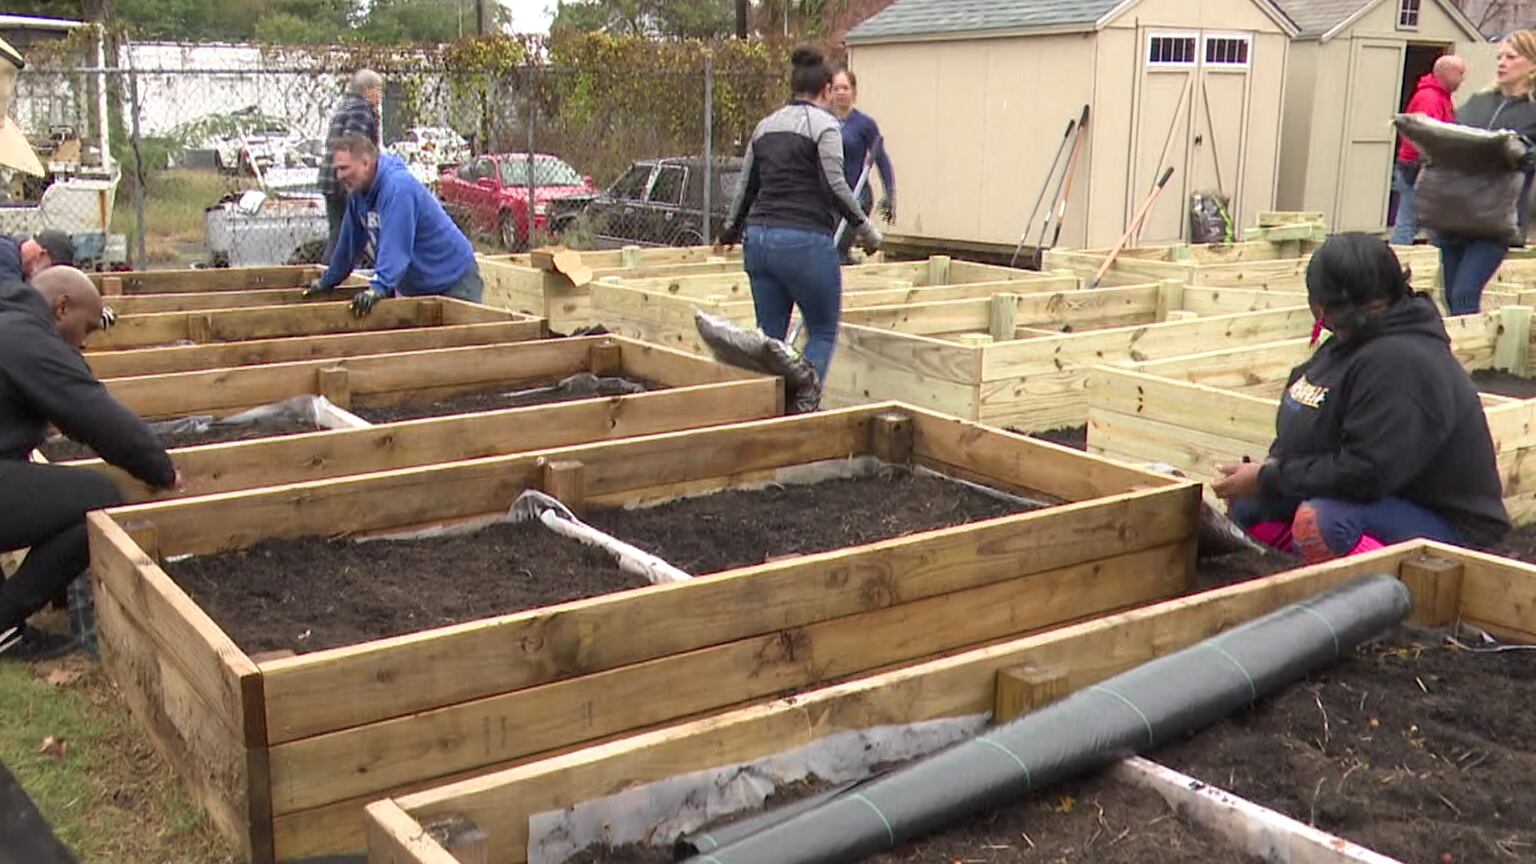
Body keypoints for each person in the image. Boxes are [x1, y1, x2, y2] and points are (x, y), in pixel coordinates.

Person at [1213, 233, 1508, 564]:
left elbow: (1366, 472)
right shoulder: (1350, 342)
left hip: (1448, 524)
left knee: (1321, 522)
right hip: (1381, 496)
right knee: (1250, 504)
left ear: (1322, 305)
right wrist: (1268, 472)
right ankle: (1291, 564)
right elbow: (1311, 423)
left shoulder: (1403, 364)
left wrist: (1270, 478)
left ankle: (1374, 598)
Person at [0, 267, 180, 660]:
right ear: (62, 308)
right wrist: (161, 470)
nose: (85, 342)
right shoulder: (28, 340)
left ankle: (7, 632)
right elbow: (92, 415)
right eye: (87, 328)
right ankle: (3, 618)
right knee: (99, 500)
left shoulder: (9, 322)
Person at [717, 45, 882, 387]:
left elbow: (746, 187)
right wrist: (866, 230)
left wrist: (729, 233)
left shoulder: (765, 126)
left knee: (771, 340)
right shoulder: (825, 126)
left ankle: (769, 406)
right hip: (803, 242)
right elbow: (836, 186)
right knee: (821, 330)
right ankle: (803, 404)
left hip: (759, 242)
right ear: (825, 90)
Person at [304, 133, 482, 316]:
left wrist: (378, 287)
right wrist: (327, 281)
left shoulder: (398, 189)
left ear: (365, 162)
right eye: (337, 170)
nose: (339, 176)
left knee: (453, 343)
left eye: (344, 168)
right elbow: (349, 246)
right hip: (418, 287)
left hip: (453, 281)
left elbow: (396, 246)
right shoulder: (358, 194)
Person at [1437, 32, 1536, 314]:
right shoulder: (1477, 102)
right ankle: (1458, 352)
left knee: (1465, 293)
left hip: (1495, 220)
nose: (1502, 63)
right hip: (1455, 213)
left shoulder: (1533, 110)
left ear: (1532, 64)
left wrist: (1524, 156)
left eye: (1511, 57)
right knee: (1450, 295)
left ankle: (1469, 356)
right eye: (1500, 57)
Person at [1391, 55, 1465, 246]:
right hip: (1417, 168)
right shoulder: (1431, 99)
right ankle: (1399, 260)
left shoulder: (1438, 96)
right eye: (1460, 73)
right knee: (1409, 223)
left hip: (1416, 166)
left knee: (1418, 220)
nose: (1463, 79)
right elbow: (1428, 138)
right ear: (1446, 73)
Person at [829, 68, 894, 264]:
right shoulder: (823, 121)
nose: (841, 92)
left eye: (845, 88)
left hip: (856, 196)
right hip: (830, 197)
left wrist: (889, 192)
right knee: (828, 247)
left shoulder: (864, 124)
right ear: (830, 92)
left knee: (838, 246)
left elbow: (881, 158)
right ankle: (854, 263)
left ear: (854, 92)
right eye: (836, 88)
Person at [319, 69, 383, 265]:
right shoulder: (361, 111)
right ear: (368, 90)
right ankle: (333, 281)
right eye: (379, 90)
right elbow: (355, 148)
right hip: (346, 183)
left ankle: (327, 276)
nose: (380, 97)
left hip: (331, 180)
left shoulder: (344, 106)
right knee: (347, 239)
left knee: (337, 235)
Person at [0, 230, 73, 284]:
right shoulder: (4, 253)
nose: (50, 277)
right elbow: (12, 300)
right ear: (42, 255)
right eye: (51, 270)